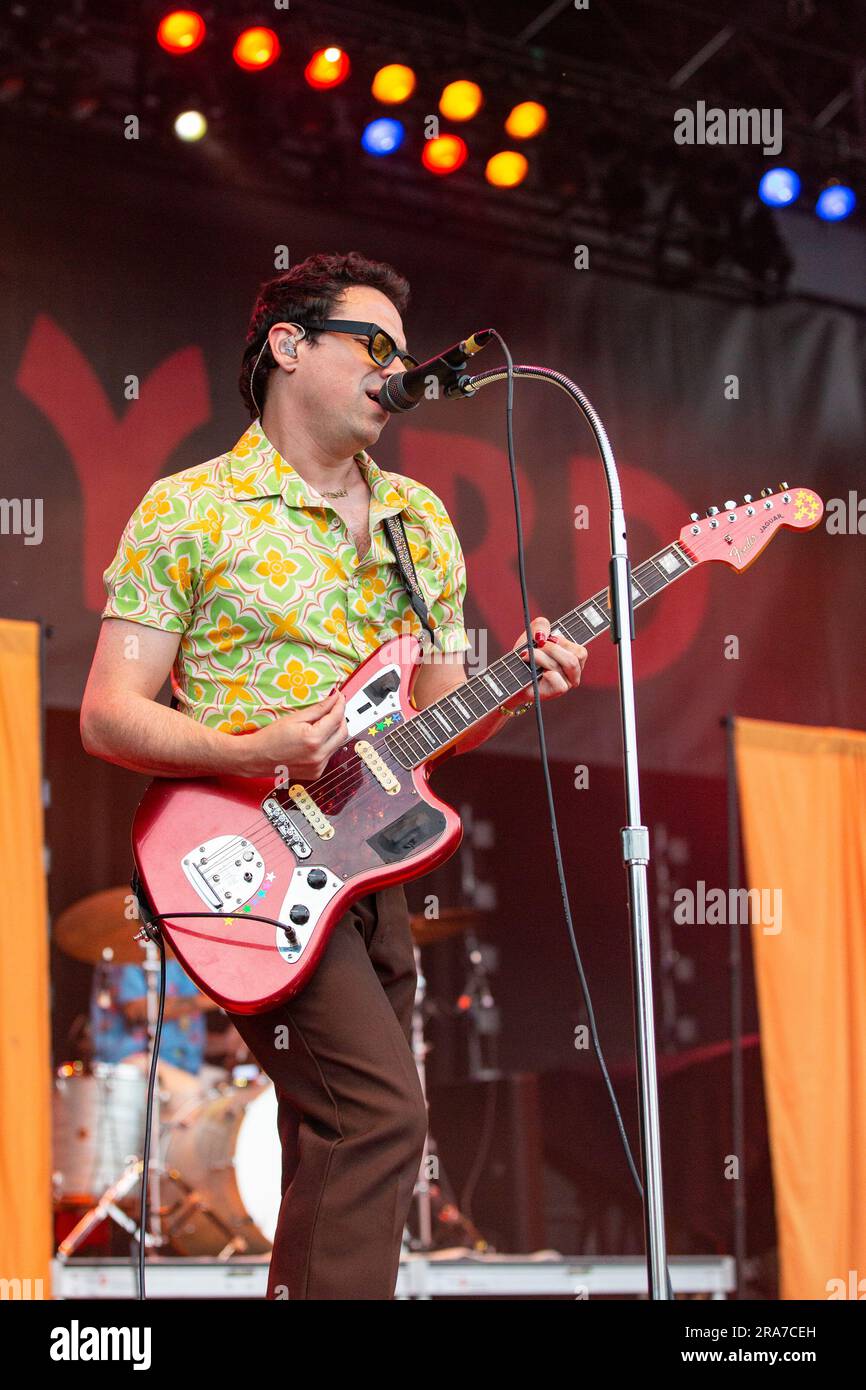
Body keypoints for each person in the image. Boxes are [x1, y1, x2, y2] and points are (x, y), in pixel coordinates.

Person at [80, 250, 588, 1299]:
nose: (395, 370)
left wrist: (516, 688)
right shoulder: (193, 509)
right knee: (374, 1114)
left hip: (367, 861)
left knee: (333, 1137)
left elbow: (441, 723)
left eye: (404, 355)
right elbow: (106, 714)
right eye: (373, 346)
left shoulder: (422, 523)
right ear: (286, 344)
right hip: (238, 857)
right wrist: (249, 748)